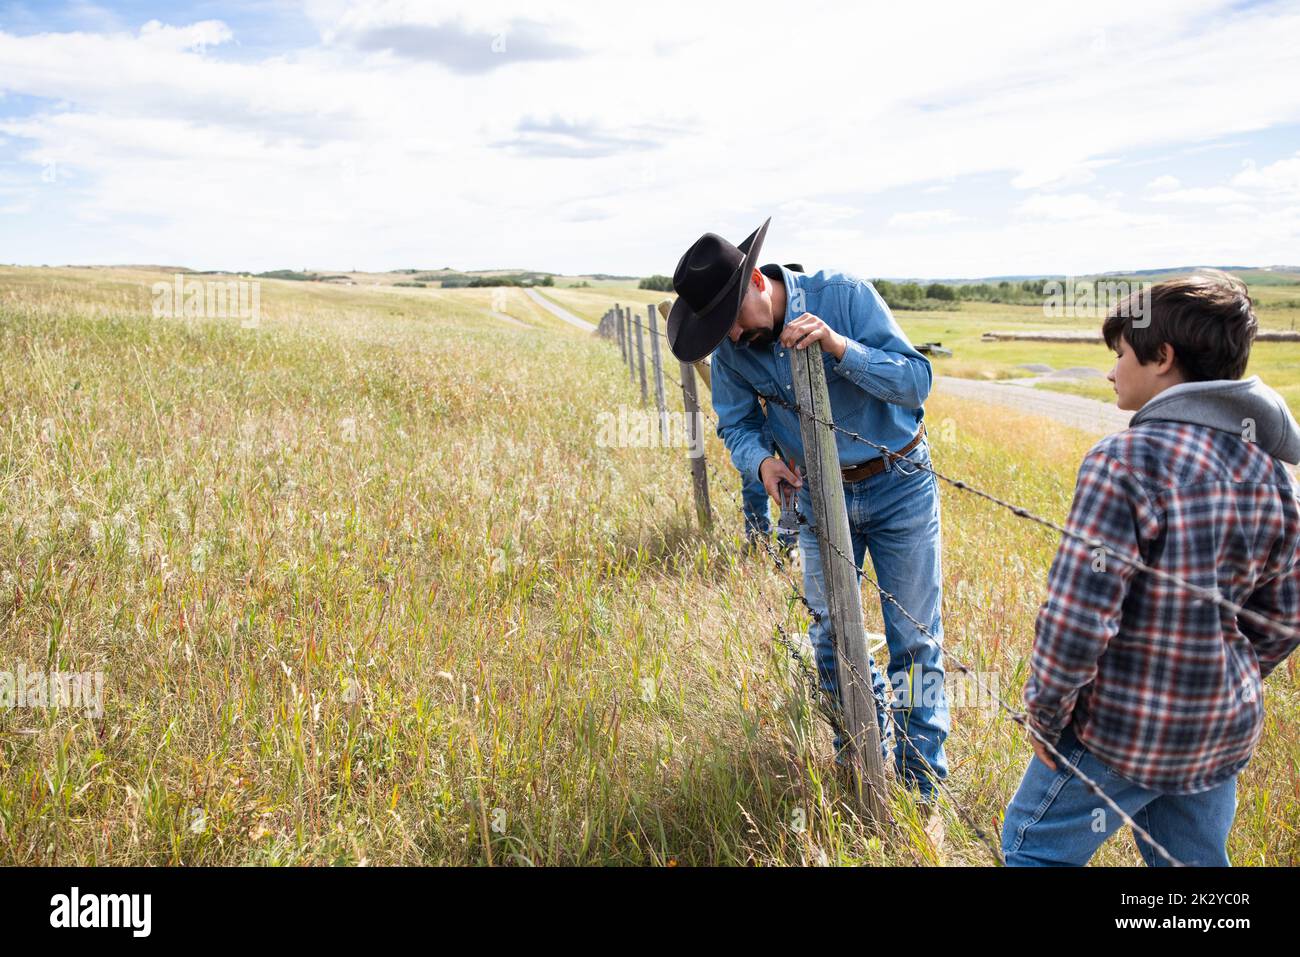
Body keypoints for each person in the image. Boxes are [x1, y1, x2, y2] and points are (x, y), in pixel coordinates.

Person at [1003, 270, 1300, 866]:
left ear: (1162, 357)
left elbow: (1079, 616)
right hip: (1218, 728)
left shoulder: (1125, 460)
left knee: (1033, 850)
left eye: (1120, 354)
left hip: (1120, 728)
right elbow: (1285, 615)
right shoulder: (1270, 470)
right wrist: (1222, 677)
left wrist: (1047, 713)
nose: (1112, 371)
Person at [666, 218, 950, 806]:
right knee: (831, 637)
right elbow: (737, 424)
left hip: (899, 483)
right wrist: (762, 465)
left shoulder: (844, 296)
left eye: (730, 322)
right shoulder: (732, 349)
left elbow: (916, 382)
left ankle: (923, 789)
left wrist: (841, 349)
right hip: (820, 497)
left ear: (756, 286)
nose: (731, 339)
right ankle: (864, 765)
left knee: (914, 641)